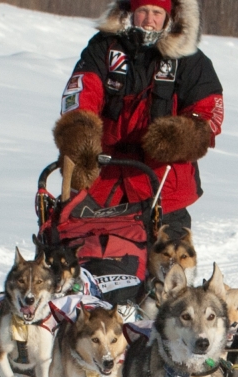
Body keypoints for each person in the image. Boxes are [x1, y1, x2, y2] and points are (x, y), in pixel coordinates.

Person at [52, 0, 223, 241]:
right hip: (101, 177)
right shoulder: (104, 48)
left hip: (163, 184)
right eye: (143, 11)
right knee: (83, 255)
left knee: (169, 270)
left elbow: (208, 113)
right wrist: (80, 131)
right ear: (131, 12)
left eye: (156, 12)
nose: (149, 19)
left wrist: (181, 136)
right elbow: (82, 91)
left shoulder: (191, 60)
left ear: (170, 16)